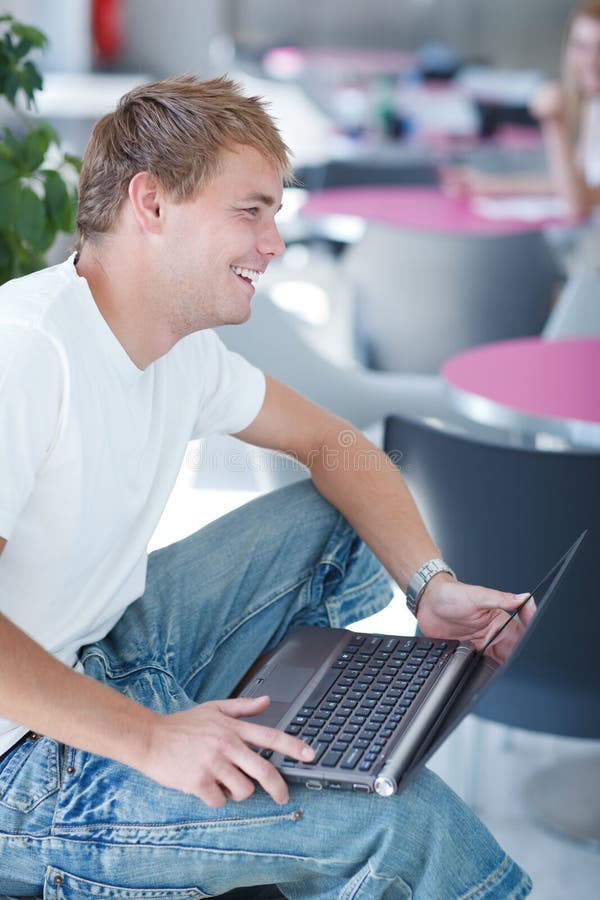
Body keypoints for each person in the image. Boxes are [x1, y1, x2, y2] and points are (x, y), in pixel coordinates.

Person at [0, 75, 533, 899]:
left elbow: (335, 445)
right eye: (250, 211)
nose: (275, 242)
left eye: (275, 214)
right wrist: (150, 740)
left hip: (98, 655)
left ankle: (297, 727)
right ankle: (268, 792)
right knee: (406, 823)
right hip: (16, 766)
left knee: (345, 507)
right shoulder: (28, 351)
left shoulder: (178, 350)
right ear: (151, 203)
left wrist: (431, 586)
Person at [443, 1, 600, 219]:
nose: (591, 61)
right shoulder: (594, 102)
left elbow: (578, 204)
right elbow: (577, 184)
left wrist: (554, 122)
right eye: (581, 46)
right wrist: (492, 185)